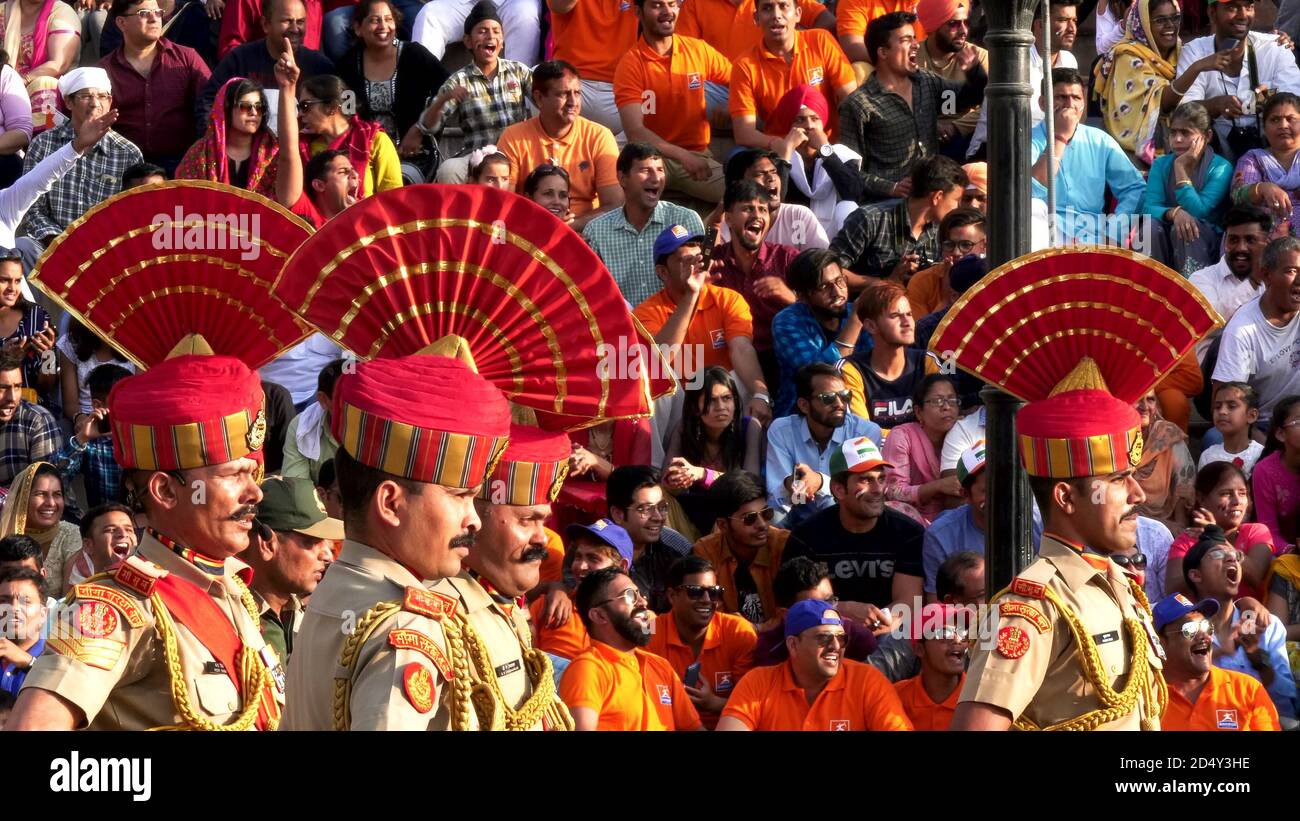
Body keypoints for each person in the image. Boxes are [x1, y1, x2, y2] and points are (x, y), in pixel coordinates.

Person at [947, 268, 1187, 732]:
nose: (1137, 494)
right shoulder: (1031, 607)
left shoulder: (1120, 583)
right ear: (1065, 496)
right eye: (1118, 480)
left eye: (1133, 477)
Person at [8, 354, 283, 731]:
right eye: (235, 475)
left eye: (253, 474)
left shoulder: (235, 589)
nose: (255, 492)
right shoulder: (111, 609)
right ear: (166, 491)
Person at [283, 354, 515, 730]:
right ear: (391, 503)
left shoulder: (337, 586)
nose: (473, 519)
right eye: (459, 496)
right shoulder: (405, 626)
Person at [449, 423, 574, 730]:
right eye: (527, 520)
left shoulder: (507, 606)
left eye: (543, 522)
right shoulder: (447, 618)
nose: (542, 539)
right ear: (475, 520)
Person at [633, 225, 772, 439]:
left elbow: (741, 349)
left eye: (698, 258)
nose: (696, 265)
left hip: (720, 397)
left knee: (739, 379)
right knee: (657, 387)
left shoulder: (728, 299)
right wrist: (691, 295)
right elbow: (656, 362)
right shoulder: (646, 311)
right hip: (681, 402)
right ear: (662, 272)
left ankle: (744, 466)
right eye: (686, 261)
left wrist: (761, 393)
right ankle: (652, 470)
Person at [839, 11, 985, 201]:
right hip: (888, 208)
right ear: (883, 52)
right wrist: (891, 188)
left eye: (914, 38)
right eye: (906, 40)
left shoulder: (926, 82)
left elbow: (970, 97)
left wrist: (974, 70)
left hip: (934, 201)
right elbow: (849, 172)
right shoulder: (858, 105)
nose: (916, 44)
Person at [716, 599, 913, 730]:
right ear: (793, 645)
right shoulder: (759, 682)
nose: (835, 646)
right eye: (824, 638)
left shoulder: (867, 681)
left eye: (841, 638)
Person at [17, 68, 142, 261]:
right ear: (68, 102)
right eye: (86, 96)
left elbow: (132, 214)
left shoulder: (128, 153)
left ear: (110, 102)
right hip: (51, 248)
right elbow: (31, 208)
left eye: (102, 96)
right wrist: (61, 243)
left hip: (105, 253)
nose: (95, 103)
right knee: (24, 246)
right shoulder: (43, 144)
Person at [786, 436, 925, 609]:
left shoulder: (908, 533)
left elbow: (908, 604)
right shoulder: (806, 538)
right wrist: (846, 612)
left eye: (881, 479)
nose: (878, 490)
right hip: (826, 629)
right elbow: (800, 606)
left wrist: (875, 624)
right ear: (839, 489)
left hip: (888, 630)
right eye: (866, 480)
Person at [614, 0, 731, 204]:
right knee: (613, 192)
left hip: (698, 156)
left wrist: (734, 105)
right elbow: (635, 132)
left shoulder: (698, 49)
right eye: (657, 5)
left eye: (672, 3)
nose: (668, 11)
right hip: (650, 159)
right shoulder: (630, 64)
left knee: (742, 197)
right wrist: (683, 156)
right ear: (638, 12)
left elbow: (744, 82)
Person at [559, 566, 703, 730]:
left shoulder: (661, 666)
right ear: (599, 615)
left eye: (640, 594)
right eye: (629, 596)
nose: (643, 602)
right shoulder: (588, 669)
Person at [1182, 527, 1297, 721]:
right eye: (1217, 554)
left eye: (1235, 555)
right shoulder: (1182, 630)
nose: (1232, 559)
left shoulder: (1265, 625)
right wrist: (1219, 653)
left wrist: (1259, 661)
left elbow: (1287, 708)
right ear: (1196, 576)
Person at [1095, 0, 1226, 165]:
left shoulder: (1181, 51)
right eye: (1161, 20)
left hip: (1178, 144)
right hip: (1131, 158)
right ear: (1143, 23)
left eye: (1175, 18)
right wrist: (1196, 68)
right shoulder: (1127, 57)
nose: (1170, 25)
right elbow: (1163, 103)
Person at [497, 61, 622, 230]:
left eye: (577, 93)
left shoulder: (599, 136)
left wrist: (572, 225)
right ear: (539, 98)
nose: (573, 102)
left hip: (583, 234)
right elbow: (504, 202)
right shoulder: (513, 137)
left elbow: (615, 205)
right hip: (528, 232)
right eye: (564, 94)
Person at [333, 0, 445, 184]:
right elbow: (347, 114)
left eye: (388, 19)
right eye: (375, 20)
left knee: (400, 184)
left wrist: (420, 129)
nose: (383, 26)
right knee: (358, 184)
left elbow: (448, 90)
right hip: (366, 154)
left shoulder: (414, 56)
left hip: (413, 155)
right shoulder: (349, 66)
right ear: (358, 28)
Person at [1032, 67, 1146, 244]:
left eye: (1076, 98)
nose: (1070, 104)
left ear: (1083, 104)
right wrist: (1060, 138)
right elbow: (1030, 192)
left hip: (1092, 238)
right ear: (1042, 103)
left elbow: (1135, 188)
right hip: (1043, 236)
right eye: (1061, 97)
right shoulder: (1027, 140)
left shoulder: (1099, 141)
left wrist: (1114, 233)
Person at [583, 143, 706, 307]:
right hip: (625, 330)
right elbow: (593, 295)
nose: (656, 178)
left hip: (677, 325)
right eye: (645, 170)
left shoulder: (685, 219)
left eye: (660, 170)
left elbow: (702, 282)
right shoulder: (596, 231)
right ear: (622, 178)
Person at [424, 1, 533, 185]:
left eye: (496, 31)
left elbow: (544, 98)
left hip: (515, 153)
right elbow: (431, 125)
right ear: (468, 41)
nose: (490, 36)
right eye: (482, 31)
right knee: (449, 170)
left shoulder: (519, 71)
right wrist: (444, 98)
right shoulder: (459, 80)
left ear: (503, 39)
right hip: (477, 157)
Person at [1179, 0, 1300, 166]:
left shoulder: (1275, 47)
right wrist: (1216, 105)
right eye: (1232, 7)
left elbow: (1295, 102)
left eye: (1249, 6)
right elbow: (1183, 110)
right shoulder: (1195, 52)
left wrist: (1268, 99)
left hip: (1272, 151)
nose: (1243, 15)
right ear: (1212, 13)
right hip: (1215, 154)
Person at [728, 0, 856, 152]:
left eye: (783, 6)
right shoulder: (744, 66)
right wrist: (783, 144)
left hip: (828, 146)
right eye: (767, 8)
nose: (776, 15)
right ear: (756, 18)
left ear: (798, 14)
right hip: (780, 155)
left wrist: (838, 148)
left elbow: (851, 100)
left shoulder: (821, 41)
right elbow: (744, 134)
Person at [645, 555, 757, 727]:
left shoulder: (738, 630)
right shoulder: (648, 630)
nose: (706, 600)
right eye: (695, 591)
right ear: (672, 595)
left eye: (714, 592)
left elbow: (754, 705)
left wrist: (713, 703)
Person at [98, 0, 208, 174]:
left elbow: (211, 103)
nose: (154, 19)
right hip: (123, 167)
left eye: (158, 13)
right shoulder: (104, 70)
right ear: (121, 23)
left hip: (181, 164)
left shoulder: (187, 59)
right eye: (144, 13)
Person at [709, 178, 799, 389]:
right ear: (729, 219)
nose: (757, 215)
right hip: (731, 360)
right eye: (748, 208)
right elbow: (702, 253)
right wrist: (716, 219)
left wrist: (791, 298)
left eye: (763, 210)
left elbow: (817, 316)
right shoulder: (715, 260)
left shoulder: (787, 258)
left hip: (782, 358)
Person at [765, 362, 883, 522]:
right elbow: (777, 494)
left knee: (834, 506)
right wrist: (792, 484)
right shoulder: (781, 430)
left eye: (845, 396)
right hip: (796, 515)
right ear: (804, 405)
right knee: (773, 516)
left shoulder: (865, 433)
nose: (840, 404)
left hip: (844, 516)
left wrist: (820, 482)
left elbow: (860, 492)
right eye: (828, 398)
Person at [966, 0, 1080, 159]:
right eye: (1062, 20)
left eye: (1074, 20)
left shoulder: (1069, 61)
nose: (1072, 28)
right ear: (1040, 25)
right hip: (994, 157)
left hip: (1043, 152)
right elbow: (1014, 128)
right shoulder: (1014, 62)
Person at [241, 476, 338, 663]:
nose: (327, 555)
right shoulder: (232, 619)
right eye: (311, 542)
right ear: (267, 544)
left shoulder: (310, 618)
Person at [831, 155, 966, 287]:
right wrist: (888, 282)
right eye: (956, 201)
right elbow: (830, 271)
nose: (958, 207)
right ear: (937, 197)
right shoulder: (870, 219)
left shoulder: (942, 231)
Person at [1155, 592, 1281, 731]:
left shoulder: (1247, 690)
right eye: (1190, 630)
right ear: (1160, 643)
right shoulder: (1146, 698)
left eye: (1206, 627)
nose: (1205, 636)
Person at [197, 0, 335, 127]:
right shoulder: (240, 59)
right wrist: (215, 143)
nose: (295, 29)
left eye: (300, 22)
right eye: (287, 21)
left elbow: (347, 104)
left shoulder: (319, 66)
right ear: (265, 24)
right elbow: (208, 101)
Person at [1212, 236, 1300, 428]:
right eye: (1291, 271)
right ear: (1266, 275)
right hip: (1261, 425)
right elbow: (1226, 408)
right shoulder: (1242, 330)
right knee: (1215, 438)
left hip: (1296, 421)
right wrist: (1258, 440)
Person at [771, 248, 872, 417]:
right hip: (802, 417)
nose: (837, 292)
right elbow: (820, 376)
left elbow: (874, 365)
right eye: (824, 286)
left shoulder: (856, 312)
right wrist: (855, 321)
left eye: (840, 281)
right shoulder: (786, 322)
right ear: (802, 296)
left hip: (857, 409)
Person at [663, 368, 763, 534]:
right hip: (691, 513)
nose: (721, 407)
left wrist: (703, 475)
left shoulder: (749, 427)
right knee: (661, 497)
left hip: (731, 516)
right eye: (711, 401)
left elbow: (751, 484)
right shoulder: (684, 428)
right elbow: (666, 479)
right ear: (695, 408)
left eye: (727, 398)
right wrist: (677, 480)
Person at [1142, 101, 1235, 275]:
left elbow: (1199, 211)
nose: (1177, 139)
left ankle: (1192, 293)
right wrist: (1175, 213)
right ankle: (1149, 288)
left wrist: (1180, 169)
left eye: (1185, 133)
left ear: (1207, 136)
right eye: (1173, 132)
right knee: (1149, 227)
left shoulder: (1221, 168)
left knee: (1187, 227)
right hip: (1166, 235)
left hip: (1203, 240)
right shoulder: (1161, 164)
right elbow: (1148, 207)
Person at [692, 470, 792, 625]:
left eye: (766, 513)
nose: (762, 525)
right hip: (731, 643)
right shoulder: (706, 551)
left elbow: (795, 612)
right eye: (750, 518)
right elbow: (712, 616)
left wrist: (760, 630)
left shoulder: (784, 544)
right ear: (722, 525)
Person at [838, 281, 941, 430]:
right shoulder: (850, 370)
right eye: (895, 316)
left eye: (909, 314)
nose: (907, 322)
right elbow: (861, 433)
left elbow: (939, 423)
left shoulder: (927, 361)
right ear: (871, 326)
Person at [273, 54, 357, 228]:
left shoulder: (369, 227)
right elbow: (288, 155)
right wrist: (287, 88)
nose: (356, 176)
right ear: (319, 185)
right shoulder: (309, 220)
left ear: (332, 108)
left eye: (306, 106)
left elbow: (393, 203)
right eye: (343, 172)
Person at [531, 519, 633, 660]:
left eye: (593, 558)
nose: (581, 566)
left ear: (622, 566)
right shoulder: (546, 607)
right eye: (578, 557)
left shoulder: (642, 619)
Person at [1166, 465, 1273, 600]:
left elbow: (1256, 577)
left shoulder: (1256, 532)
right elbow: (1173, 591)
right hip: (1201, 618)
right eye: (1226, 494)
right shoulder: (1187, 541)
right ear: (1201, 498)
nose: (1237, 501)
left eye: (1242, 493)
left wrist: (1216, 537)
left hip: (1249, 617)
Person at [769, 84, 863, 238]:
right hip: (793, 235)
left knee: (848, 207)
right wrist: (786, 153)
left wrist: (825, 150)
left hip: (832, 238)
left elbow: (854, 192)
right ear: (790, 127)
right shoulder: (776, 160)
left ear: (823, 123)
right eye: (800, 120)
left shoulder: (840, 154)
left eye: (815, 119)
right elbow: (775, 201)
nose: (809, 126)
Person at [752, 555, 881, 664]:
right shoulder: (768, 650)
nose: (828, 612)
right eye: (814, 608)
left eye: (830, 601)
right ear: (786, 615)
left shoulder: (858, 639)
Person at [1188, 205, 1272, 364]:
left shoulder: (1274, 279)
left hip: (1268, 368)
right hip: (1215, 373)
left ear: (1265, 243)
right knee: (1228, 338)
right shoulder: (1202, 279)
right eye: (1233, 240)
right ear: (1225, 241)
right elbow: (1208, 324)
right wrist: (1253, 282)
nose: (1241, 248)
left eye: (1250, 240)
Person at [606, 465, 694, 615]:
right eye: (646, 509)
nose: (658, 517)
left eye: (662, 507)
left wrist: (652, 629)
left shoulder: (678, 549)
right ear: (618, 514)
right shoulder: (589, 550)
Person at [298, 74, 400, 196]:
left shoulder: (375, 140)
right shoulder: (302, 146)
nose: (300, 114)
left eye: (305, 106)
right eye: (299, 107)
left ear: (332, 107)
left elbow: (393, 195)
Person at [177, 77, 278, 197]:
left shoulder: (272, 152)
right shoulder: (201, 152)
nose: (254, 112)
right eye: (245, 106)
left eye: (259, 107)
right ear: (226, 109)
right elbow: (184, 196)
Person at [880, 374, 960, 524]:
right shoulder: (902, 435)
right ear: (918, 411)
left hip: (955, 518)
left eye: (952, 400)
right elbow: (893, 492)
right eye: (937, 401)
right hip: (911, 519)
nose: (947, 407)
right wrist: (938, 486)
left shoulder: (963, 433)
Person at [50, 362, 129, 512]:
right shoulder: (91, 443)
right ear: (98, 406)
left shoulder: (141, 436)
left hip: (139, 522)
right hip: (101, 523)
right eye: (122, 402)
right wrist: (82, 438)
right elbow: (55, 477)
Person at [914, 0, 986, 160]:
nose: (963, 31)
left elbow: (992, 107)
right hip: (916, 140)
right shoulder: (911, 57)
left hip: (965, 139)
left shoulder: (980, 57)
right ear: (934, 26)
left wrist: (955, 127)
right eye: (954, 24)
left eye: (966, 23)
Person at [718, 149, 829, 249]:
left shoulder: (798, 215)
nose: (772, 178)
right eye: (760, 174)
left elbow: (823, 264)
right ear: (738, 184)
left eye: (774, 172)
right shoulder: (726, 221)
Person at [0, 0, 79, 133]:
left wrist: (21, 81)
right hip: (4, 81)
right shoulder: (3, 10)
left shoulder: (62, 12)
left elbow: (59, 64)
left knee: (44, 85)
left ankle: (42, 143)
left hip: (44, 84)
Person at [0, 461, 76, 596]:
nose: (51, 503)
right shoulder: (5, 533)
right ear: (23, 498)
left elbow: (70, 601)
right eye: (41, 494)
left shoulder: (71, 535)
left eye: (57, 494)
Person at [1230, 92, 1300, 236]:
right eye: (1275, 120)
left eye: (1290, 119)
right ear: (1265, 128)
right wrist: (1262, 189)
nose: (1283, 125)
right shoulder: (1252, 159)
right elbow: (1237, 196)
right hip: (1263, 235)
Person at [892, 602, 968, 729]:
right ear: (919, 649)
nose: (957, 640)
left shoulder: (981, 698)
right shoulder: (895, 697)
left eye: (962, 632)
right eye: (944, 633)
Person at [1132, 389, 1196, 532]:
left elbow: (1184, 488)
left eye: (1150, 399)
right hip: (1121, 527)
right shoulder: (1110, 440)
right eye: (1137, 399)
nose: (1144, 406)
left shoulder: (1167, 436)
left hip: (1165, 529)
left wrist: (1179, 528)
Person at [906, 206, 984, 319]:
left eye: (966, 245)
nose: (956, 252)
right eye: (949, 245)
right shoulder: (923, 281)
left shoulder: (995, 278)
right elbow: (919, 334)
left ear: (984, 246)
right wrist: (946, 300)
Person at [0, 349, 61, 488]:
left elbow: (44, 491)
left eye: (17, 387)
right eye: (2, 388)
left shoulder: (37, 420)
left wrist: (48, 354)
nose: (12, 398)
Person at [414, 0, 539, 67]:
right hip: (462, 3)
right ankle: (419, 91)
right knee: (430, 14)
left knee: (525, 16)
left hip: (511, 2)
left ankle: (519, 91)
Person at [0, 249, 54, 401]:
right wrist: (5, 360)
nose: (12, 288)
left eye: (17, 281)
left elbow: (46, 389)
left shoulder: (36, 316)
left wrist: (48, 356)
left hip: (32, 413)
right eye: (4, 280)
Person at [55, 319, 131, 424]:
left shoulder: (135, 341)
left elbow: (142, 397)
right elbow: (70, 404)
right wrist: (80, 419)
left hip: (126, 419)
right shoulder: (71, 343)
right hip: (86, 418)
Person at [1251, 393, 1300, 553]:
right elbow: (1268, 531)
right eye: (1299, 421)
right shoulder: (1265, 471)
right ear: (1280, 434)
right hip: (1282, 553)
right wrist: (1293, 552)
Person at [280, 358, 342, 483]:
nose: (357, 405)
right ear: (323, 400)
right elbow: (297, 488)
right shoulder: (301, 427)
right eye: (345, 399)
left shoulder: (380, 426)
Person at [60, 502, 135, 590]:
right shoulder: (78, 593)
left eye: (129, 529)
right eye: (111, 530)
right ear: (88, 545)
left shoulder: (151, 575)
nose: (123, 534)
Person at [1199, 381, 1264, 477]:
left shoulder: (1260, 455)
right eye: (1217, 407)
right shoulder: (1207, 456)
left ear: (1251, 415)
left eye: (1231, 406)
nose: (1222, 411)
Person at [219, 0, 322, 59]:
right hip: (258, 86)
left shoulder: (314, 3)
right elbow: (230, 48)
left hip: (308, 84)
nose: (295, 29)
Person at [836, 0, 923, 69]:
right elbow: (853, 48)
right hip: (884, 67)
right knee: (860, 68)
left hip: (926, 60)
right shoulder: (853, 2)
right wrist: (898, 61)